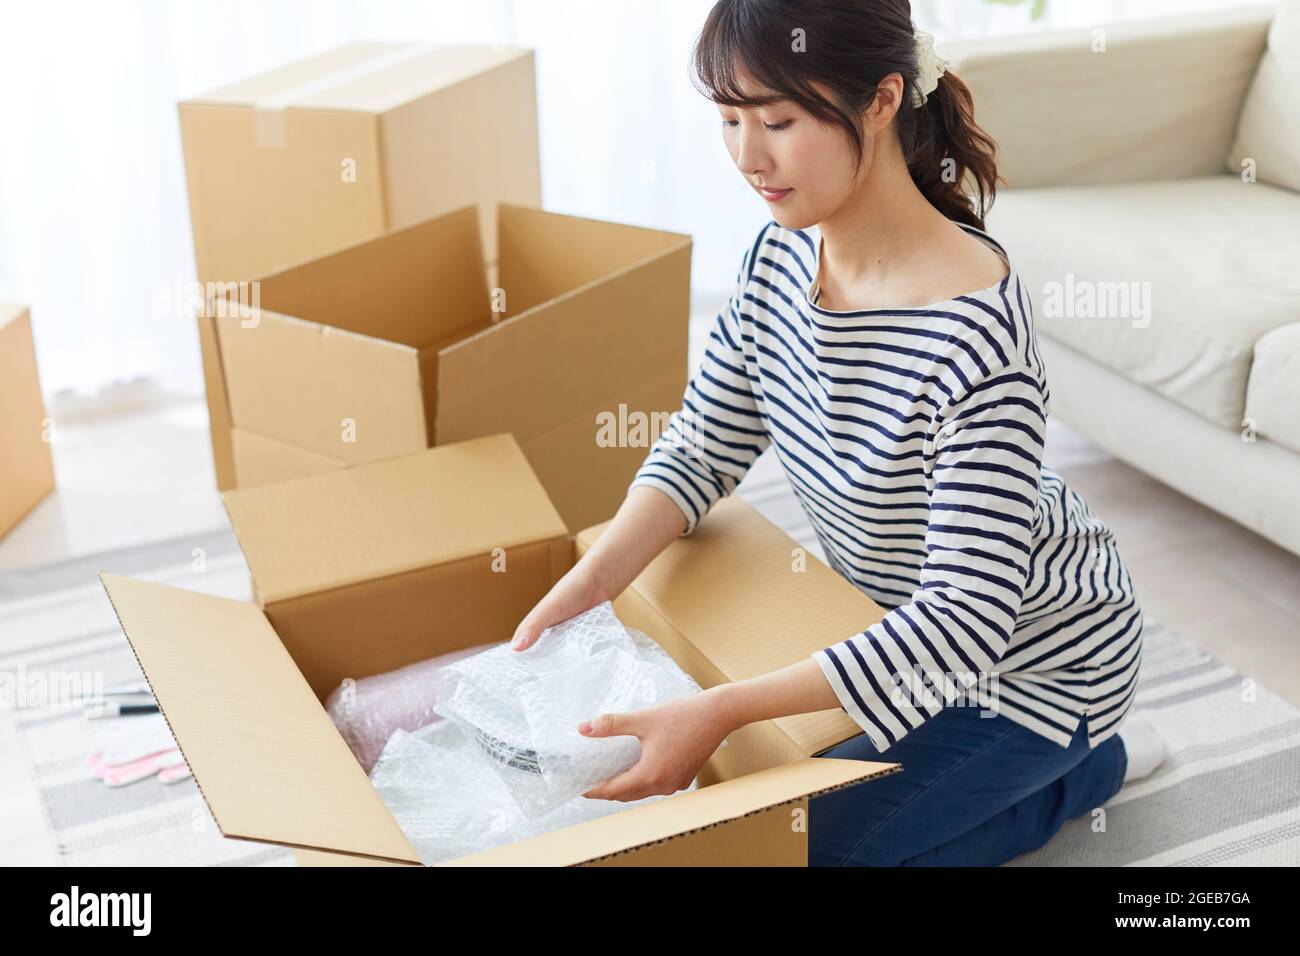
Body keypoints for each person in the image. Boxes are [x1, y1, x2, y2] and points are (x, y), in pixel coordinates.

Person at [510, 0, 1166, 866]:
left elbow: (964, 619)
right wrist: (588, 583)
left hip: (1030, 668)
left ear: (883, 99)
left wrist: (726, 708)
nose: (748, 157)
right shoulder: (781, 253)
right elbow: (705, 443)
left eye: (778, 120)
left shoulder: (973, 337)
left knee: (796, 853)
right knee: (756, 833)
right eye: (730, 119)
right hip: (899, 625)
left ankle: (1088, 764)